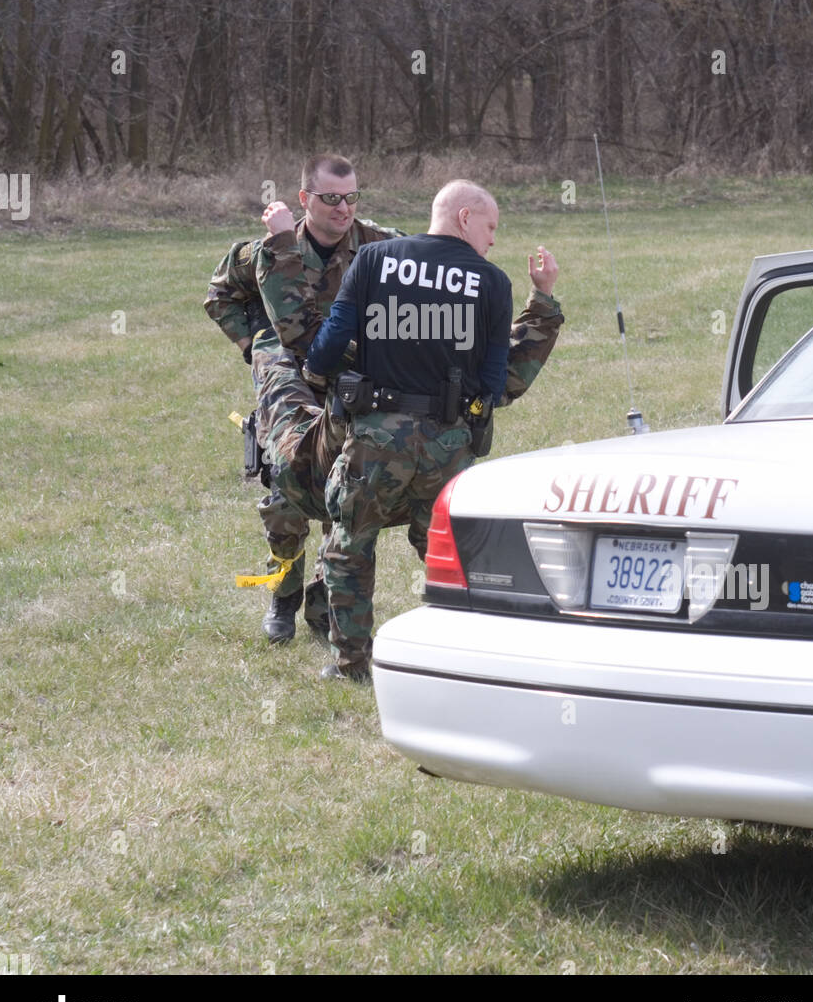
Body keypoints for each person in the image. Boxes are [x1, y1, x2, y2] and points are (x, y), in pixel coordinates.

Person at [269, 179, 557, 682]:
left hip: (375, 437)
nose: (492, 241)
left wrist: (319, 372)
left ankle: (351, 663)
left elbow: (333, 338)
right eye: (491, 227)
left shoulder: (376, 259)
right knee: (449, 554)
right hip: (449, 443)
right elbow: (492, 381)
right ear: (465, 218)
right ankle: (464, 661)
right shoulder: (491, 282)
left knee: (350, 545)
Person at [204, 153, 403, 642]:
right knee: (288, 483)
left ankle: (323, 597)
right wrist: (254, 346)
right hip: (288, 373)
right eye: (331, 198)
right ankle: (284, 592)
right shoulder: (271, 248)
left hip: (346, 373)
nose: (343, 209)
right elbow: (220, 294)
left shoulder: (379, 245)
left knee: (346, 480)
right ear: (304, 199)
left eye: (351, 197)